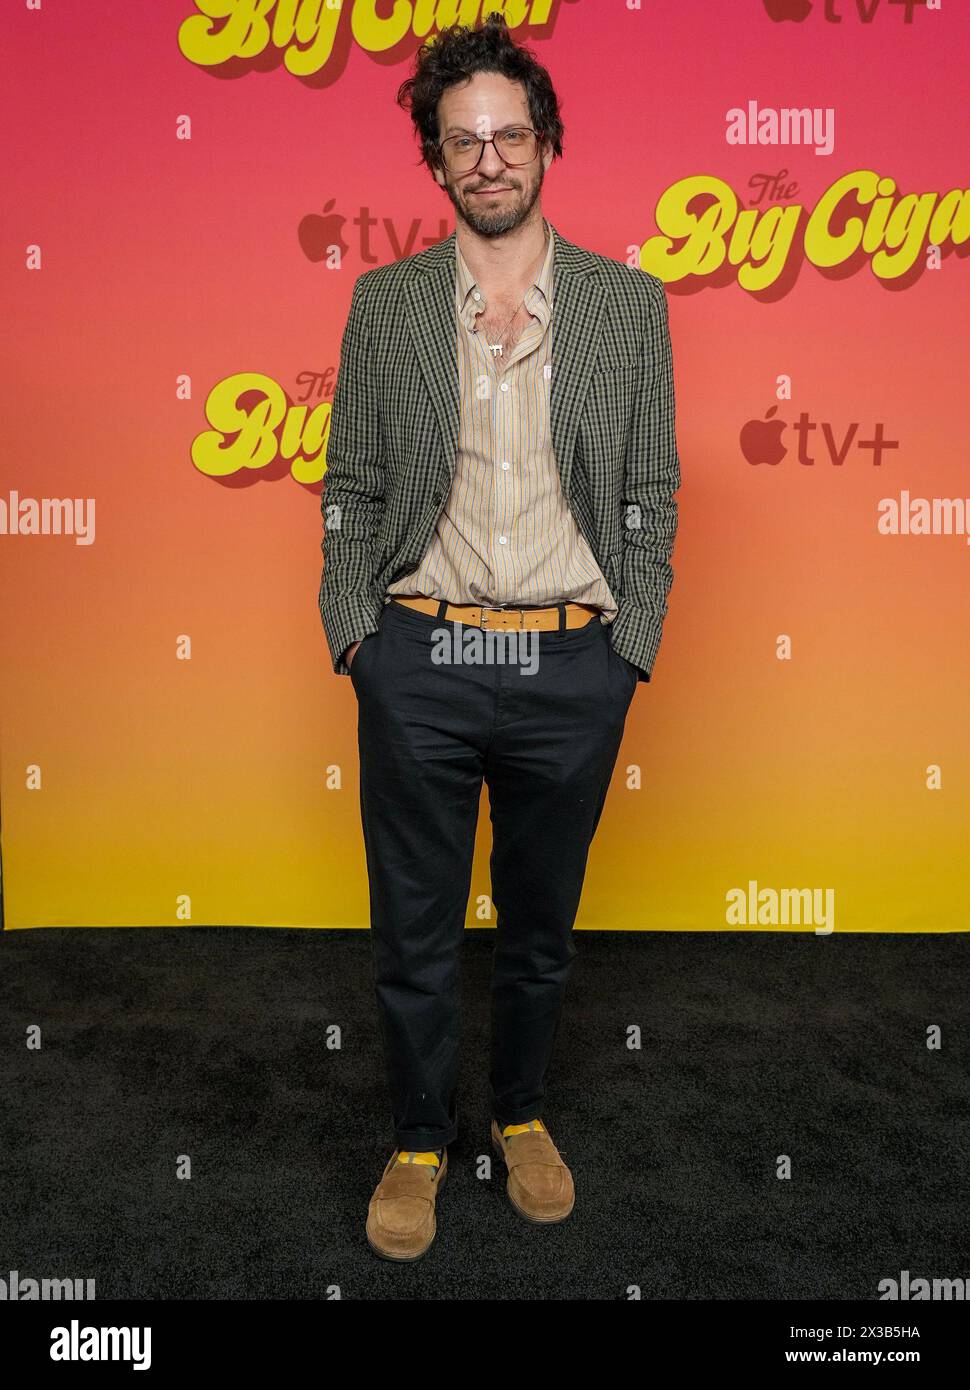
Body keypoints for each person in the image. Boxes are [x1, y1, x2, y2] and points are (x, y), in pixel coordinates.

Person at [318, 13, 680, 1261]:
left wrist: (628, 639)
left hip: (571, 662)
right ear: (435, 161)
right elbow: (352, 484)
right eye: (461, 140)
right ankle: (420, 1136)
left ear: (545, 147)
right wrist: (357, 631)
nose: (487, 159)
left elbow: (651, 487)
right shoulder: (386, 306)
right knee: (413, 925)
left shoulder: (631, 309)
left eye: (508, 135)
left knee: (540, 923)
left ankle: (520, 1114)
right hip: (420, 657)